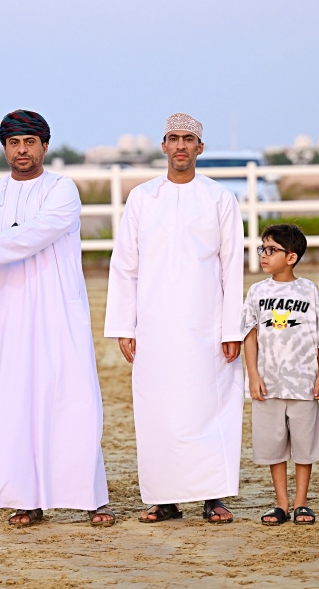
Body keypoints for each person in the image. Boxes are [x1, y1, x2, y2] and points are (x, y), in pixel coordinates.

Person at [0, 109, 113, 527]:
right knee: (13, 402)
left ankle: (90, 498)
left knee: (73, 399)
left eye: (29, 142)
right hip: (4, 314)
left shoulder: (62, 189)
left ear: (44, 146)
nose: (21, 151)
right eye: (13, 143)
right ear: (5, 148)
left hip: (57, 309)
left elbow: (40, 231)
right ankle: (26, 498)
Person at [104, 112, 244, 525]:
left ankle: (213, 497)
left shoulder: (220, 198)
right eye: (173, 138)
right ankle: (164, 499)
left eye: (188, 139)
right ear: (163, 146)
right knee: (158, 410)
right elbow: (124, 265)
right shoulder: (143, 198)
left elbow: (232, 265)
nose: (180, 146)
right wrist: (123, 326)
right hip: (154, 324)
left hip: (207, 322)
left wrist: (231, 327)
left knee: (211, 406)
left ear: (200, 148)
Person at [242, 224, 319, 526]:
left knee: (304, 446)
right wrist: (252, 375)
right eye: (262, 249)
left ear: (291, 257)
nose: (264, 255)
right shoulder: (257, 291)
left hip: (303, 381)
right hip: (268, 383)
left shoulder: (308, 290)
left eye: (271, 250)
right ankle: (281, 503)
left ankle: (301, 503)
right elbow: (249, 336)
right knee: (273, 445)